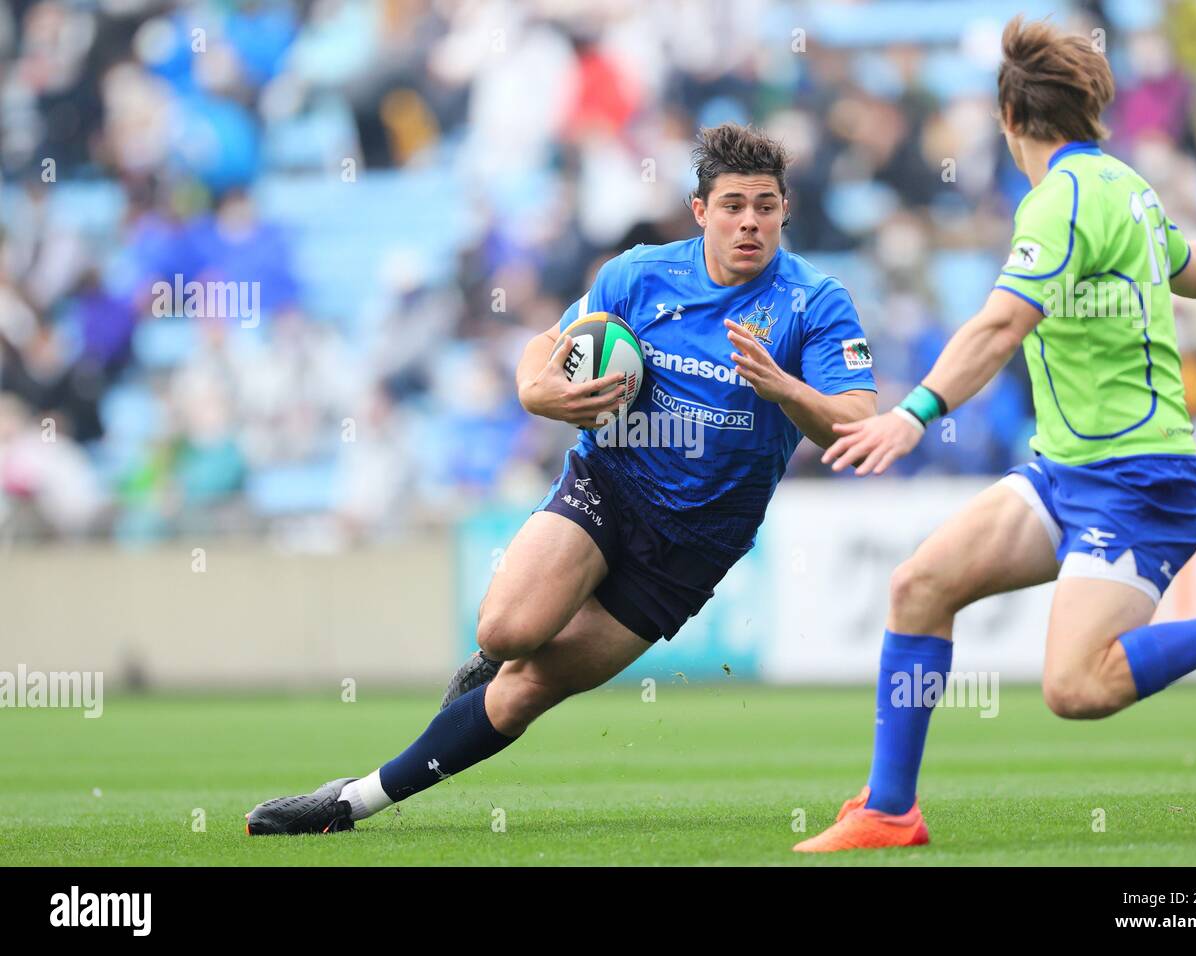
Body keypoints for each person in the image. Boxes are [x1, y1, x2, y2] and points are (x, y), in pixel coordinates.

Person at [246, 122, 879, 834]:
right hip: (609, 485)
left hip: (693, 548)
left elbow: (856, 418)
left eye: (765, 205)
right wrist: (533, 392)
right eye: (733, 205)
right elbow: (550, 346)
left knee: (523, 694)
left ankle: (349, 801)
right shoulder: (638, 276)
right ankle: (490, 657)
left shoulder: (814, 303)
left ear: (786, 210)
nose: (750, 222)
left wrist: (784, 389)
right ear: (700, 212)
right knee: (508, 629)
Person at [794, 16, 1196, 854]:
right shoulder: (1127, 188)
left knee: (1075, 685)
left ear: (1006, 115)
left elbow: (999, 326)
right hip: (1067, 473)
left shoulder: (1059, 201)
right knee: (920, 584)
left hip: (1140, 480)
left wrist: (912, 414)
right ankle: (890, 809)